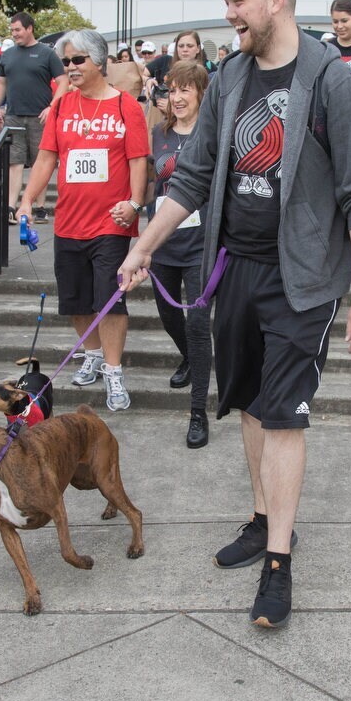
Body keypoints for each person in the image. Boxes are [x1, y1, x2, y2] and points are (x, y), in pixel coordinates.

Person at [120, 0, 351, 630]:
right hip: (235, 267)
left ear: (276, 0)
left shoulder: (332, 80)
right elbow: (191, 175)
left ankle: (278, 565)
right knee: (246, 404)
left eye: (237, 0)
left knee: (285, 413)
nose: (229, 12)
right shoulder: (232, 75)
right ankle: (266, 518)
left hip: (305, 280)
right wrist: (144, 247)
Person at [15, 29, 149, 412]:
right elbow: (45, 158)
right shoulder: (60, 107)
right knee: (75, 300)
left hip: (111, 222)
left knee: (109, 300)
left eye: (78, 60)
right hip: (68, 222)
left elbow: (139, 160)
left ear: (99, 62)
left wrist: (135, 204)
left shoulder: (126, 107)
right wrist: (26, 199)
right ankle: (91, 352)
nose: (70, 67)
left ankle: (113, 371)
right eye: (66, 61)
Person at [149, 60, 215, 447]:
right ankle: (190, 357)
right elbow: (149, 184)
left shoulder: (213, 135)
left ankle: (197, 412)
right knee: (168, 314)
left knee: (197, 323)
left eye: (185, 89)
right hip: (164, 244)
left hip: (201, 245)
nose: (176, 97)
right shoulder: (158, 134)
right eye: (171, 90)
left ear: (201, 93)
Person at [0, 11, 66, 223]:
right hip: (14, 115)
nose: (14, 34)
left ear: (29, 28)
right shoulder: (7, 55)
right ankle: (10, 206)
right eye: (12, 30)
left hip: (39, 115)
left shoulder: (47, 53)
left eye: (18, 30)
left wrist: (52, 107)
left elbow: (63, 81)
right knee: (14, 162)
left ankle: (39, 207)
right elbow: (1, 82)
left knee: (39, 161)